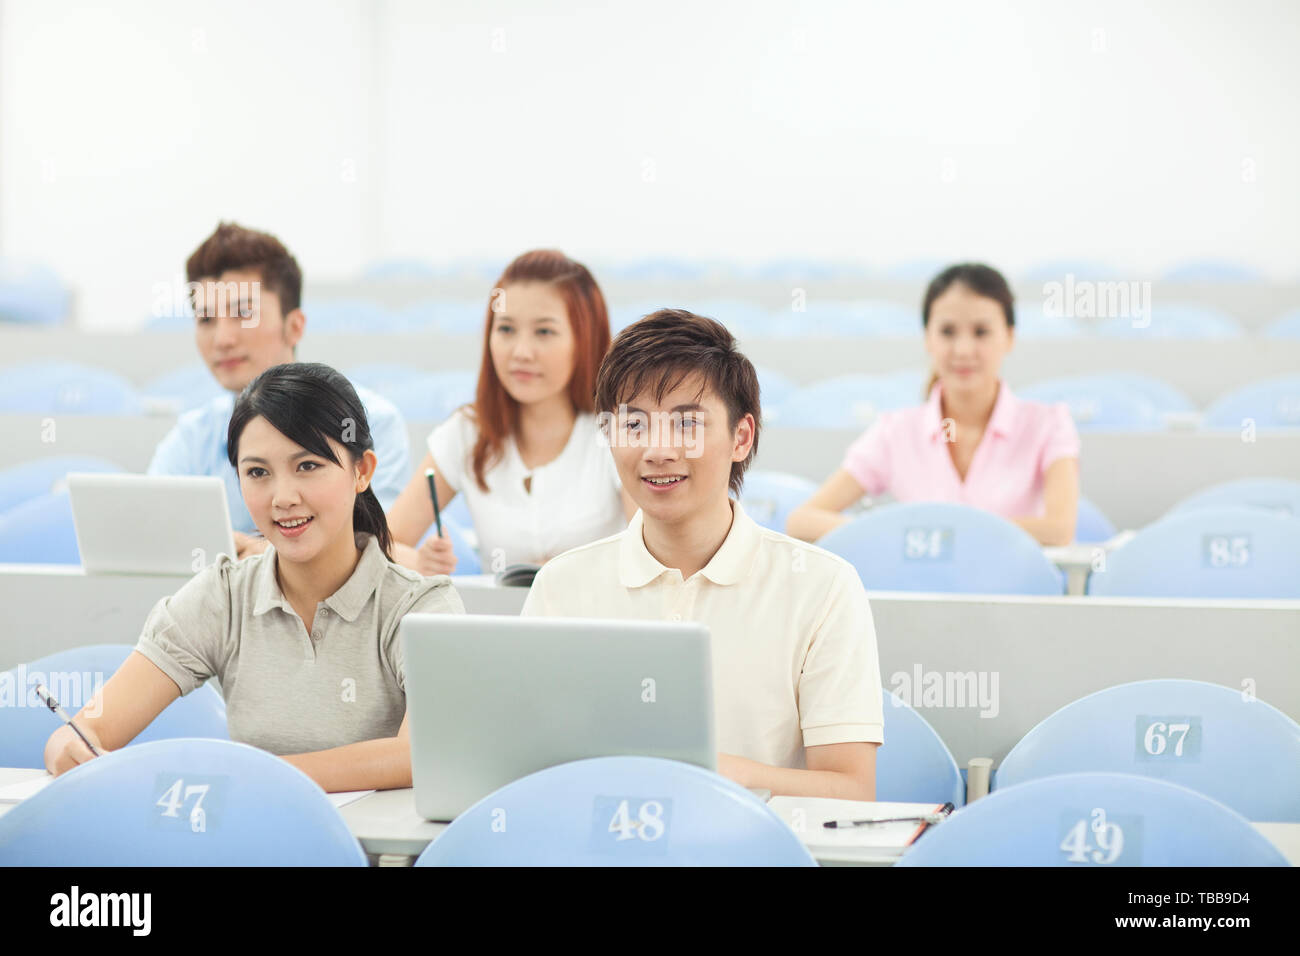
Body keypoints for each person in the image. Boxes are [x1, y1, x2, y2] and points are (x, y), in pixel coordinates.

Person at [45, 363, 463, 792]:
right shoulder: (223, 595)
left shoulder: (422, 607)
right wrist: (66, 744)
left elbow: (423, 751)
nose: (283, 497)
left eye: (308, 466)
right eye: (258, 473)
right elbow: (85, 731)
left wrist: (252, 776)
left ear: (362, 471)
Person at [521, 310, 883, 799]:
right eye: (634, 423)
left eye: (687, 424)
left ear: (742, 437)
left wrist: (721, 776)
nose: (657, 449)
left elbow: (851, 788)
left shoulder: (823, 587)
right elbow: (529, 766)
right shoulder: (561, 586)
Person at [147, 222, 411, 558]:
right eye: (206, 319)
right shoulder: (193, 436)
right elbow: (156, 539)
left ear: (295, 326)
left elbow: (373, 553)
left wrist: (257, 554)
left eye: (243, 313)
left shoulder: (373, 423)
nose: (223, 339)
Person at [786, 263, 1080, 546]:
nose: (963, 350)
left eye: (981, 332)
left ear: (1010, 337)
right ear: (928, 339)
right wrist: (900, 533)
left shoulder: (1049, 424)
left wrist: (941, 533)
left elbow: (1058, 529)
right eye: (947, 332)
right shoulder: (895, 431)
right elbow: (802, 520)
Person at [387, 250, 633, 575]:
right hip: (499, 623)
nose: (520, 352)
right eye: (505, 330)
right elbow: (377, 543)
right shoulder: (467, 431)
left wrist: (568, 573)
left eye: (544, 332)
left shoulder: (618, 431)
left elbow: (657, 551)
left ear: (584, 340)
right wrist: (419, 563)